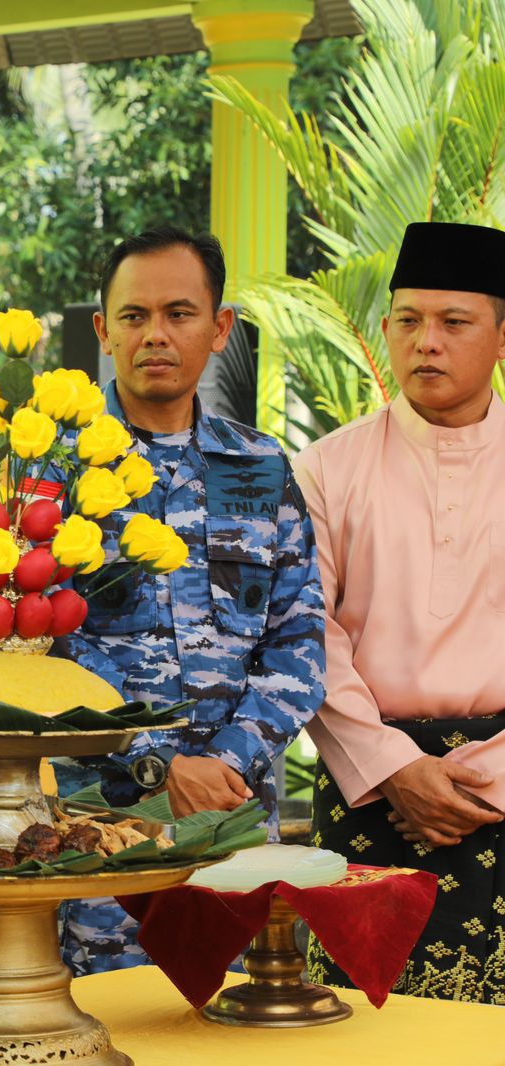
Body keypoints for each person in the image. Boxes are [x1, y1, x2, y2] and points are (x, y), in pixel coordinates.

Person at [51, 225, 325, 975]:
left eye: (179, 314)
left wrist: (226, 764)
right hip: (104, 831)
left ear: (220, 327)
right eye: (134, 316)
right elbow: (37, 649)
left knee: (240, 1010)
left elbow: (298, 640)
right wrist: (156, 765)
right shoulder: (52, 468)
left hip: (234, 824)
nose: (156, 335)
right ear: (103, 331)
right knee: (108, 1020)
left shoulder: (259, 466)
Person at [298, 221, 505, 1004]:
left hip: (500, 789)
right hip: (370, 792)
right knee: (357, 1024)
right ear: (385, 329)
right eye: (409, 320)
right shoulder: (327, 467)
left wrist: (488, 778)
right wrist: (392, 768)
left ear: (503, 337)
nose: (427, 342)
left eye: (454, 322)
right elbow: (304, 633)